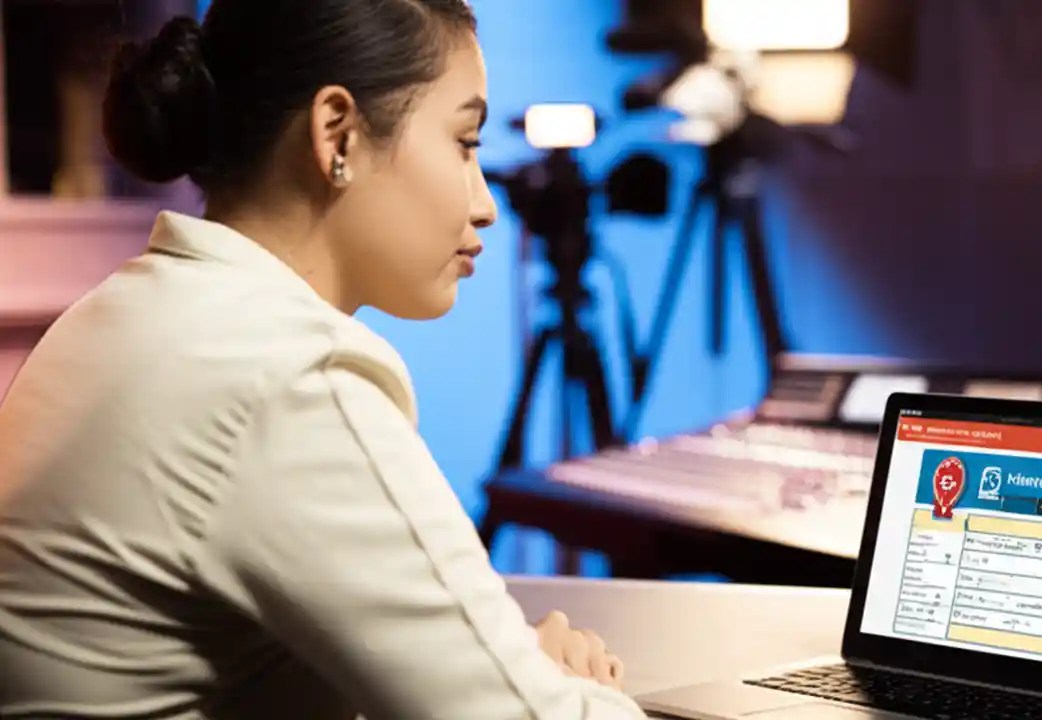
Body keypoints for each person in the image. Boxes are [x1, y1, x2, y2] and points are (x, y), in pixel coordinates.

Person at [0, 1, 646, 718]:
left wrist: (512, 669)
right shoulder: (286, 379)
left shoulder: (117, 318)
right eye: (465, 142)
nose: (486, 203)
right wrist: (577, 692)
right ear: (337, 134)